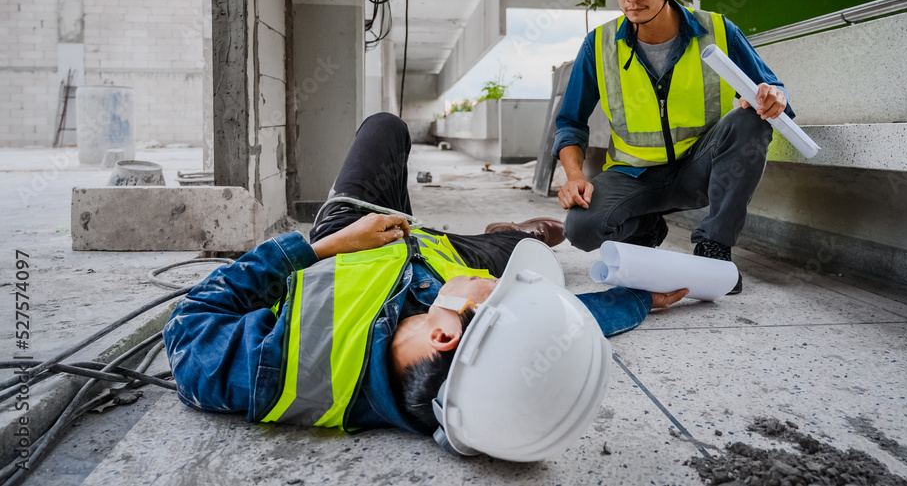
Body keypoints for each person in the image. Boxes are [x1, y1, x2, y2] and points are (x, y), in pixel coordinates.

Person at [164, 112, 688, 458]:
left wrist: (323, 248)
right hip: (438, 260)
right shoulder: (458, 349)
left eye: (495, 294)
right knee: (520, 246)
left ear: (446, 336)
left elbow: (188, 329)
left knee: (386, 128)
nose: (496, 288)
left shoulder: (275, 370)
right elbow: (556, 334)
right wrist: (641, 297)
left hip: (358, 234)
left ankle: (513, 235)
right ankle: (518, 233)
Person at [554, 0, 795, 293]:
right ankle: (646, 227)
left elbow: (774, 95)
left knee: (751, 120)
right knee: (581, 228)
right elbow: (570, 122)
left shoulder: (717, 31)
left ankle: (714, 246)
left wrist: (772, 98)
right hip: (633, 175)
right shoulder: (598, 45)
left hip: (697, 170)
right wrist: (576, 177)